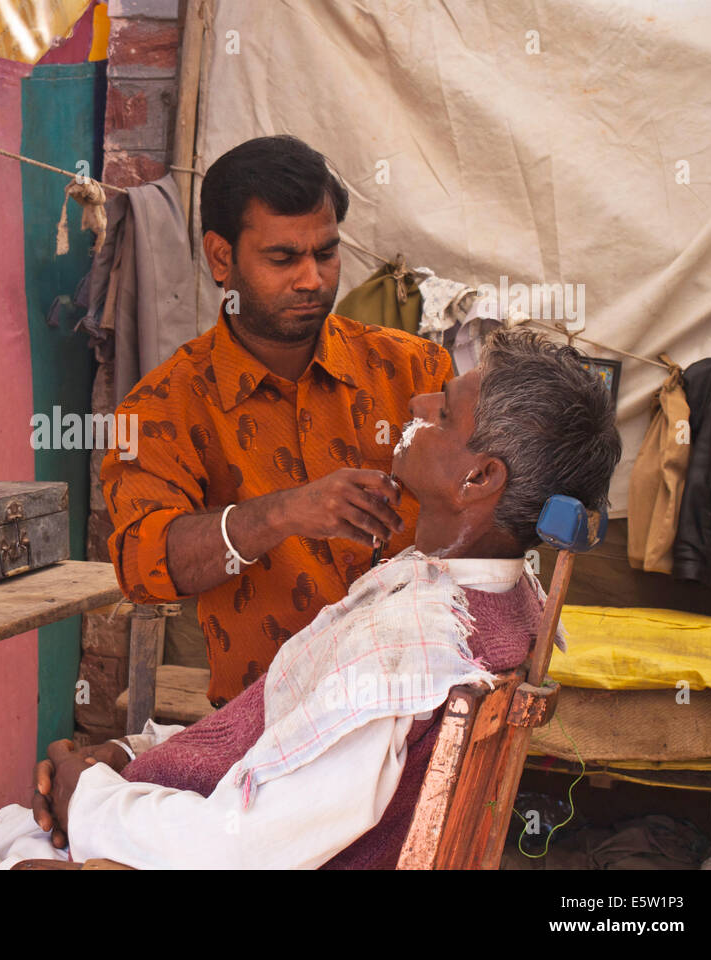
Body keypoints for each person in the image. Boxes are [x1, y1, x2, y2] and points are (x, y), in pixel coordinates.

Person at [0, 330, 622, 869]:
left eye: (447, 409)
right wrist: (129, 756)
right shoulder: (484, 609)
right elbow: (268, 743)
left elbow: (246, 848)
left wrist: (87, 800)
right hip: (159, 814)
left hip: (171, 851)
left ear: (477, 477)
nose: (422, 400)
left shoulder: (418, 652)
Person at [99, 135, 453, 710]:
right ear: (221, 257)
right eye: (283, 259)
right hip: (266, 728)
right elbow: (146, 564)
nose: (312, 279)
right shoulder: (162, 406)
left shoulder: (415, 370)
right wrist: (283, 513)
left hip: (421, 705)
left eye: (326, 253)